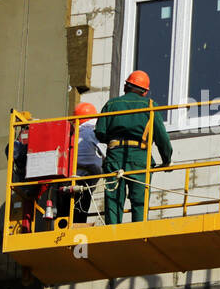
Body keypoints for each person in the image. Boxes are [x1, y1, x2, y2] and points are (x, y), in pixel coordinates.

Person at [95, 71, 173, 224]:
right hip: (140, 158)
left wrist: (113, 140)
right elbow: (162, 138)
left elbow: (100, 132)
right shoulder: (149, 106)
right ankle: (139, 230)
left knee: (113, 199)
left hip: (115, 156)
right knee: (140, 200)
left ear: (126, 86)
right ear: (144, 91)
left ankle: (113, 232)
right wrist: (166, 160)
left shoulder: (111, 104)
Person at [70, 101, 105, 221]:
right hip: (85, 181)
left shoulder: (73, 134)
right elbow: (107, 153)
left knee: (65, 215)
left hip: (67, 180)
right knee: (80, 214)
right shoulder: (95, 131)